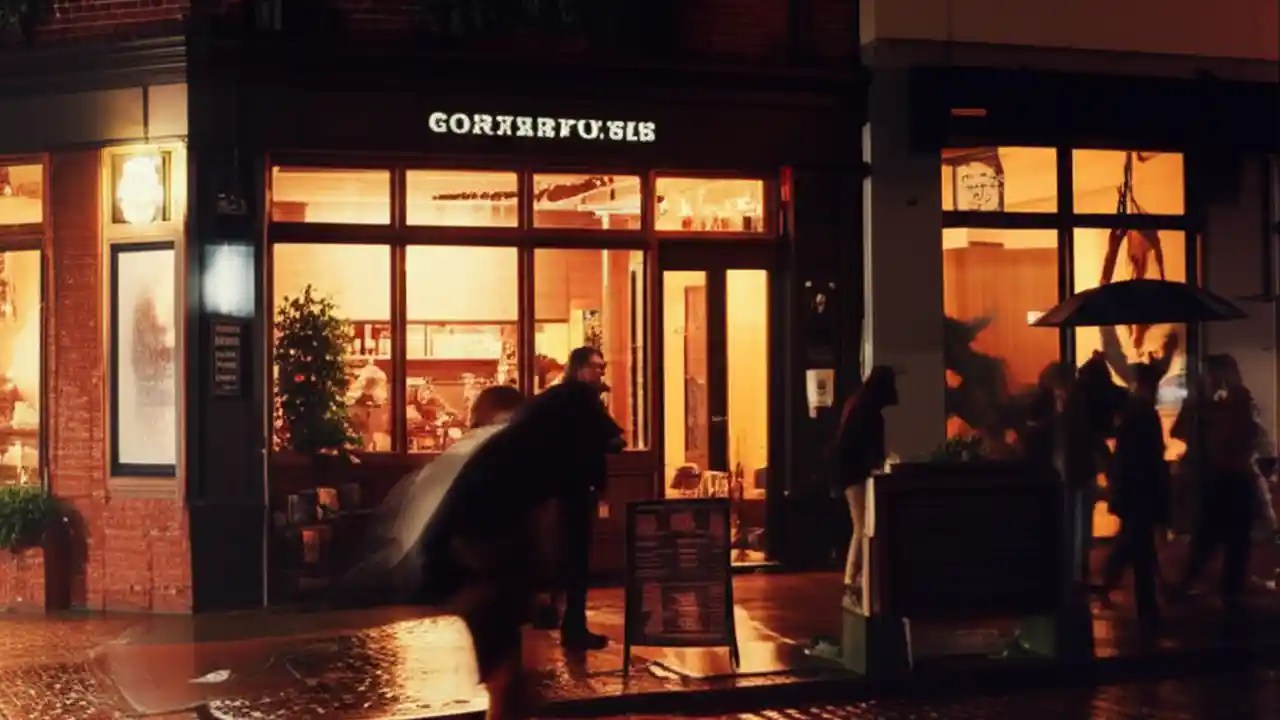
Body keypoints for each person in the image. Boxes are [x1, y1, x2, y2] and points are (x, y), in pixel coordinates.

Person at [530, 346, 624, 651]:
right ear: (581, 368)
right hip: (577, 488)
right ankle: (573, 627)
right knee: (577, 559)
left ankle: (549, 613)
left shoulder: (550, 398)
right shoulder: (584, 399)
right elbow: (614, 439)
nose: (601, 373)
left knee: (556, 554)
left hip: (549, 489)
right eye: (597, 367)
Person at [1172, 354, 1261, 611]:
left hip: (1227, 478)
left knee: (1217, 535)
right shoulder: (1225, 405)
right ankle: (1225, 589)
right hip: (1229, 478)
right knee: (1226, 537)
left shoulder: (1230, 405)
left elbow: (1223, 440)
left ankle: (1215, 587)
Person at [1100, 359, 1169, 636]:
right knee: (1139, 547)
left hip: (1134, 492)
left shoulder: (1131, 413)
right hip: (1140, 491)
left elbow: (1126, 458)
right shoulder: (1143, 414)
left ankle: (1112, 585)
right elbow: (1147, 458)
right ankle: (1147, 607)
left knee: (1133, 543)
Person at [832, 366, 897, 608]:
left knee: (859, 525)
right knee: (861, 526)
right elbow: (871, 449)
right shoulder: (870, 413)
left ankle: (855, 578)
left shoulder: (857, 404)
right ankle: (852, 580)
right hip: (855, 474)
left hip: (846, 474)